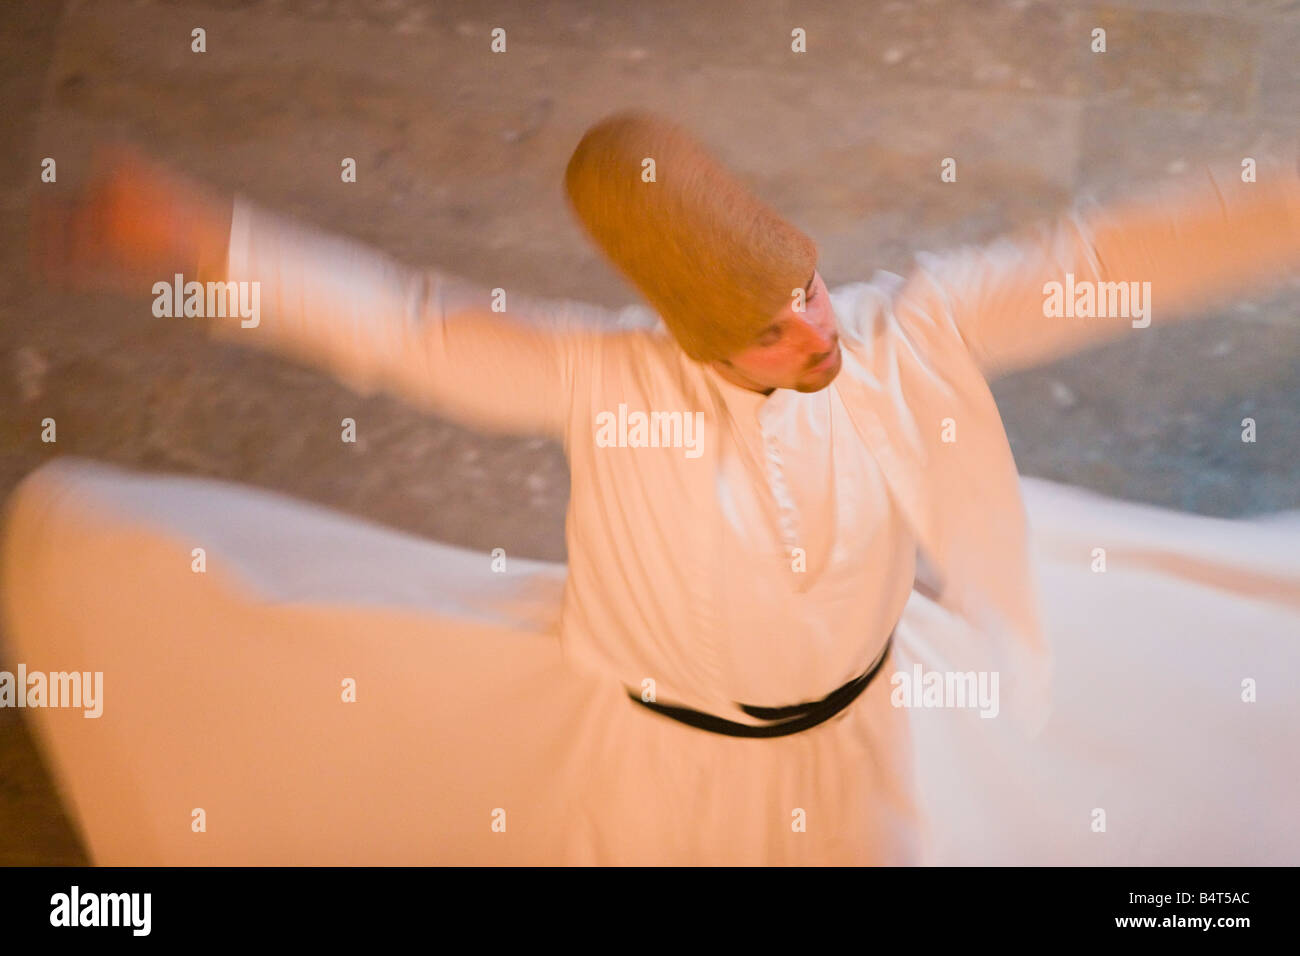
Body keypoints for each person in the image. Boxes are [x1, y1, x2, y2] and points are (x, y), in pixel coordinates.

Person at [16, 110, 1300, 865]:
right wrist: (197, 239)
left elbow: (1107, 253)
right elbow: (404, 324)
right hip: (651, 768)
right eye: (771, 328)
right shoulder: (598, 380)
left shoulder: (907, 329)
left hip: (874, 733)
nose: (815, 331)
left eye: (805, 287)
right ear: (690, 334)